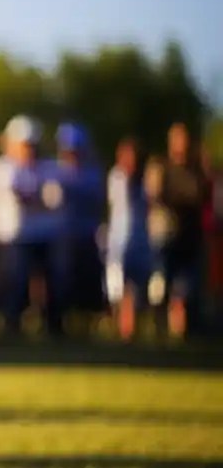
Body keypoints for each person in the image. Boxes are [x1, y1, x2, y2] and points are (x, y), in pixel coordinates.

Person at [0, 115, 63, 335]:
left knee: (49, 284)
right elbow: (25, 196)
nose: (28, 149)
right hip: (13, 238)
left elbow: (54, 199)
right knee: (14, 284)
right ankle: (12, 325)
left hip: (43, 235)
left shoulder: (48, 167)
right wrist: (37, 197)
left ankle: (52, 325)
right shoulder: (3, 167)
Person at [150, 123, 208, 337]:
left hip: (191, 237)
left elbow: (203, 195)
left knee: (188, 289)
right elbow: (155, 195)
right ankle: (159, 330)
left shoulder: (196, 170)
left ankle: (185, 333)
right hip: (167, 237)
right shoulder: (162, 167)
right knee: (162, 286)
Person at [47, 122, 106, 328]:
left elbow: (97, 204)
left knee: (87, 283)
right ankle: (58, 323)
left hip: (86, 236)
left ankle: (87, 321)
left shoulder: (92, 174)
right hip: (62, 237)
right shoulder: (53, 172)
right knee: (61, 282)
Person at [106, 138, 152, 341]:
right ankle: (121, 329)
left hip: (141, 240)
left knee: (139, 287)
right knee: (118, 287)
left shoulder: (146, 181)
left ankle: (134, 329)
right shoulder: (116, 177)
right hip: (119, 239)